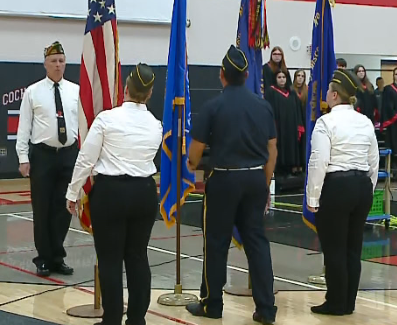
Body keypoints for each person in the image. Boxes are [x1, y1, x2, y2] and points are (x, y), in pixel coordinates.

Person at [185, 45, 278, 324]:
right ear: (247, 74)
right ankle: (266, 309)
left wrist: (193, 162)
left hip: (223, 179)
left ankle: (212, 304)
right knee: (257, 243)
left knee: (216, 243)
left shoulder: (212, 107)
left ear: (221, 75)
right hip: (254, 179)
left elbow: (194, 155)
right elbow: (272, 149)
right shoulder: (263, 106)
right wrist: (264, 181)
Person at [65, 64, 162, 325]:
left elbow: (86, 159)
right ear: (150, 93)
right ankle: (137, 320)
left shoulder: (107, 119)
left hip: (111, 193)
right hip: (144, 192)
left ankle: (112, 320)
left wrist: (72, 193)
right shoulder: (155, 125)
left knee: (109, 260)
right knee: (138, 257)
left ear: (126, 89)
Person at [306, 69, 378, 316]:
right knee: (352, 248)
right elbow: (373, 160)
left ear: (335, 95)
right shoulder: (365, 121)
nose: (326, 94)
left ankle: (335, 302)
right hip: (361, 186)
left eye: (328, 91)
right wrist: (368, 187)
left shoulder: (325, 122)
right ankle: (348, 302)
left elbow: (319, 161)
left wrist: (312, 197)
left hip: (336, 186)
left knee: (334, 248)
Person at [15, 41, 80, 277]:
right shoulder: (33, 92)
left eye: (61, 61)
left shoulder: (75, 91)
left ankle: (57, 257)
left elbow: (81, 125)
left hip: (68, 154)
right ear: (45, 64)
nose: (58, 65)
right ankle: (42, 258)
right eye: (53, 61)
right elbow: (24, 128)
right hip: (42, 155)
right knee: (42, 209)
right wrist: (23, 157)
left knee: (64, 208)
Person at [264, 70, 305, 177]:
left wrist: (299, 125)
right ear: (275, 79)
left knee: (291, 147)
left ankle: (290, 169)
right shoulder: (271, 92)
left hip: (291, 126)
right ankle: (280, 171)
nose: (282, 79)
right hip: (278, 127)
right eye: (279, 77)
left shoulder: (291, 93)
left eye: (283, 77)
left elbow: (298, 111)